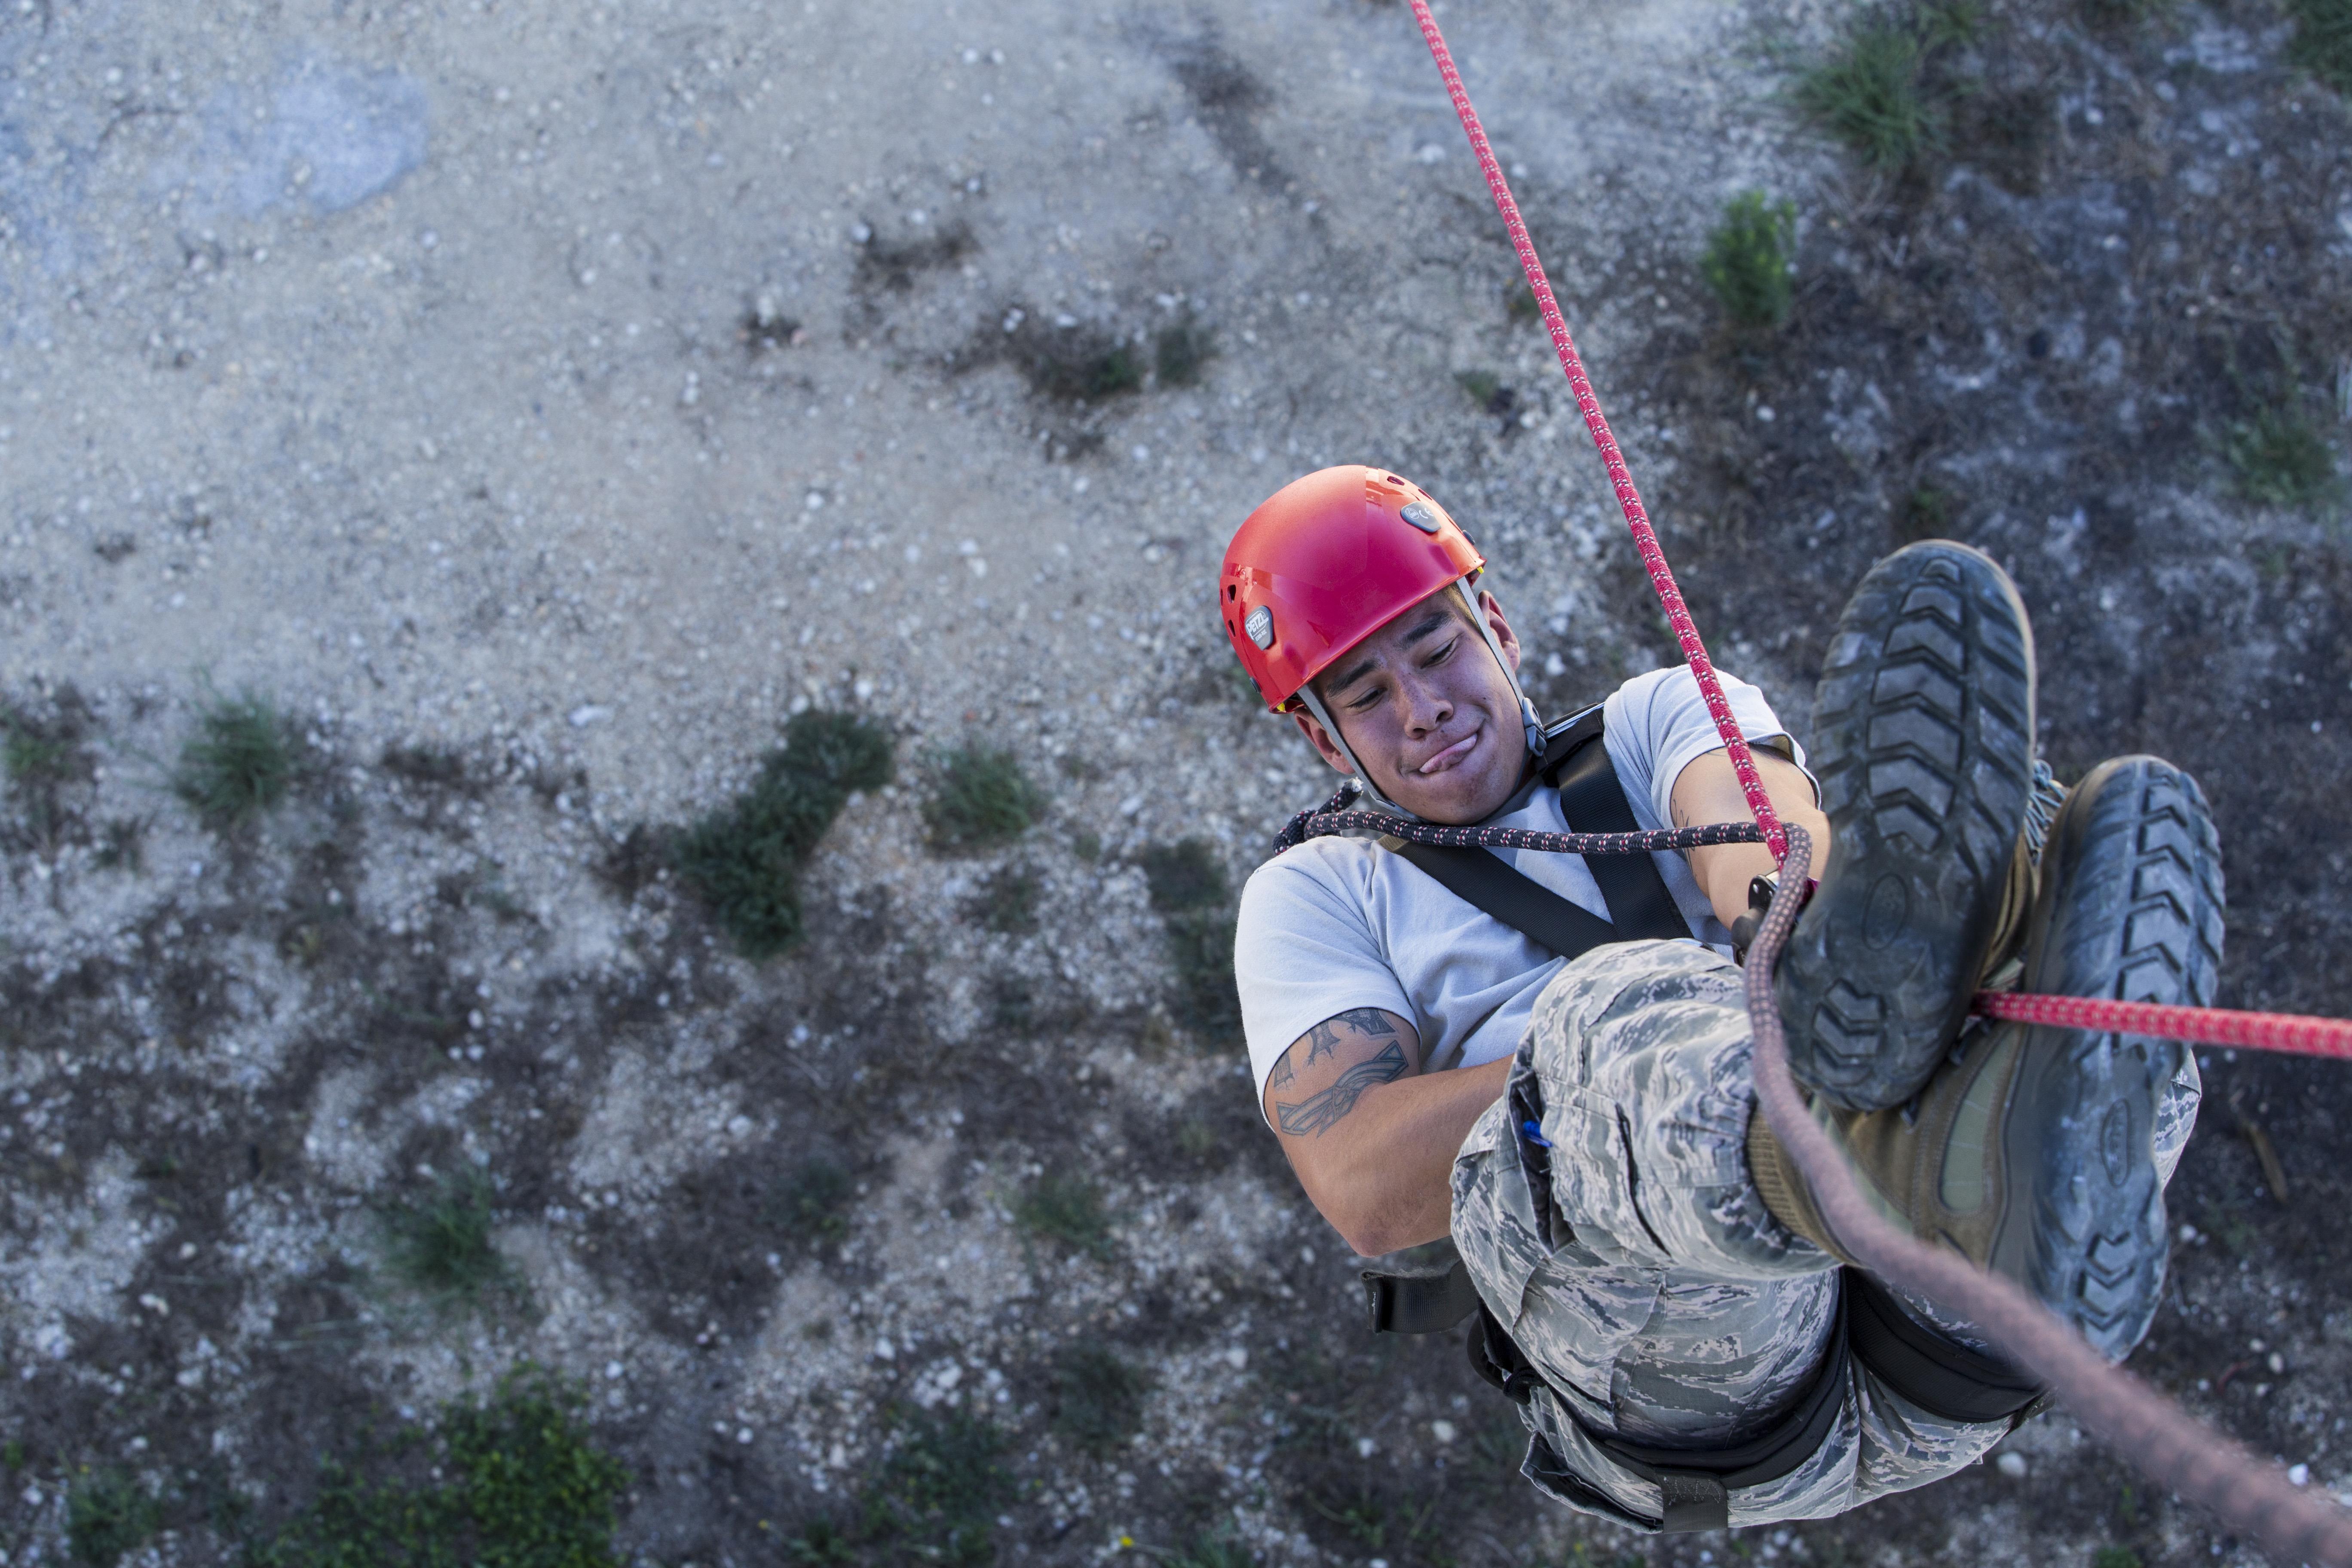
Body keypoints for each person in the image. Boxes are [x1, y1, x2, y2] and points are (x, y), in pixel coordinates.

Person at [1222, 466, 2220, 1530]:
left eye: (1437, 652)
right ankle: (1875, 1145)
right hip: (1714, 1387)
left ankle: (2027, 1116)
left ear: (1495, 626)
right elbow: (1364, 1186)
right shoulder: (1320, 894)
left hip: (1959, 1333)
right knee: (1605, 1018)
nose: (1423, 711)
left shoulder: (1657, 719)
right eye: (1367, 697)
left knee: (2005, 845)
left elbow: (1767, 849)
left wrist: (1813, 933)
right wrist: (1639, 1062)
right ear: (1324, 738)